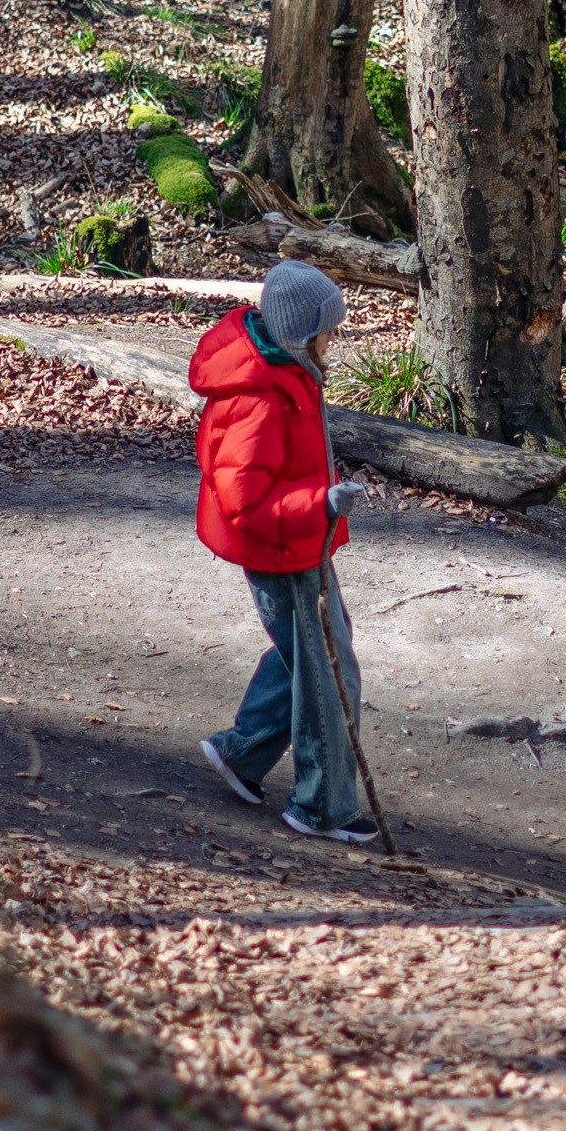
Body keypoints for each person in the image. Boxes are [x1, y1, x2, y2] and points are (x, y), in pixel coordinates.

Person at [190, 259, 377, 844]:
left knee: (314, 655)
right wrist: (320, 502)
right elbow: (244, 500)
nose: (335, 340)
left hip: (300, 547)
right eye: (329, 330)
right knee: (328, 673)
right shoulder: (260, 397)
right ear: (302, 332)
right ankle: (321, 804)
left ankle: (241, 753)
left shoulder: (287, 368)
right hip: (282, 550)